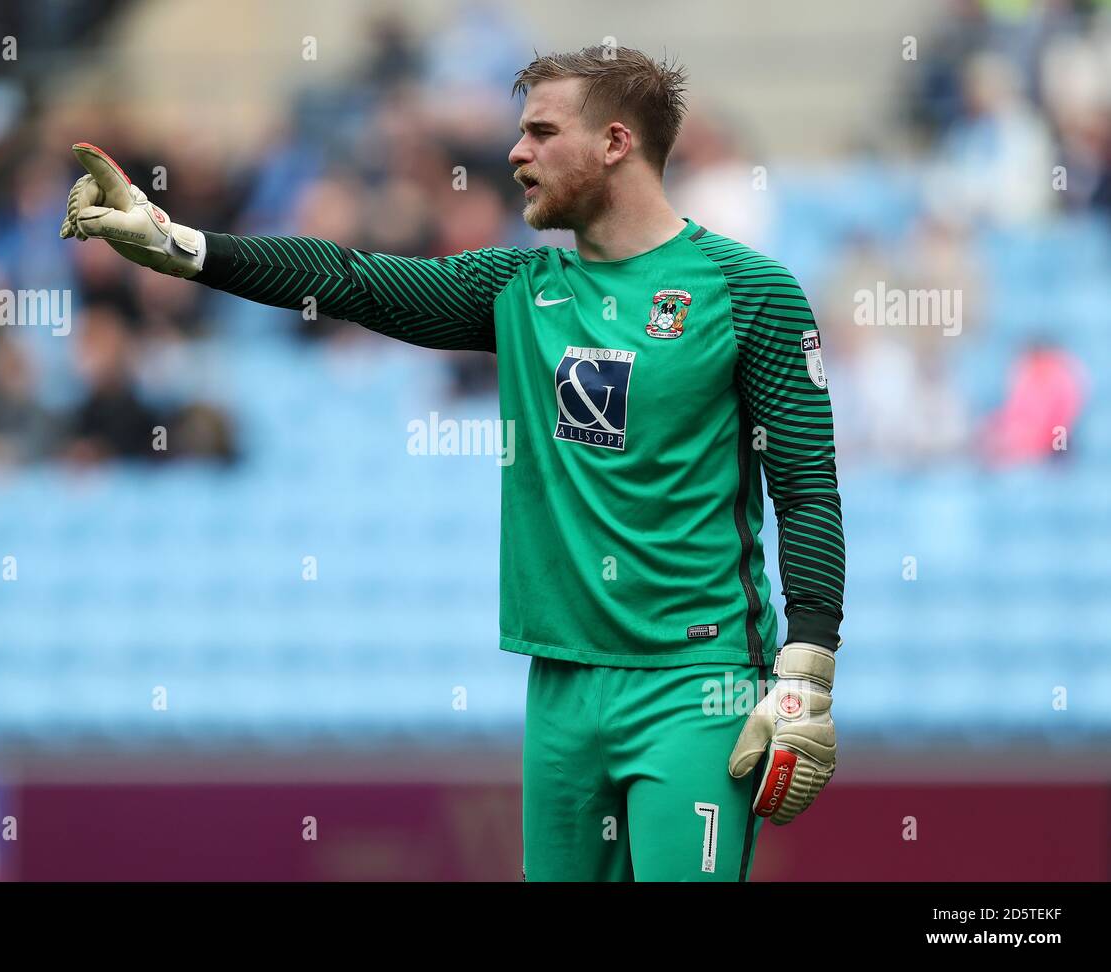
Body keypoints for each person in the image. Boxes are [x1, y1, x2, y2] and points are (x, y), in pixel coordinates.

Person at [60, 44, 845, 882]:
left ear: (616, 142)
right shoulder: (519, 287)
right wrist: (180, 245)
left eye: (542, 132)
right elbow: (352, 278)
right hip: (561, 690)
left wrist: (808, 669)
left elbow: (806, 491)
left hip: (699, 683)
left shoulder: (749, 291)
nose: (516, 153)